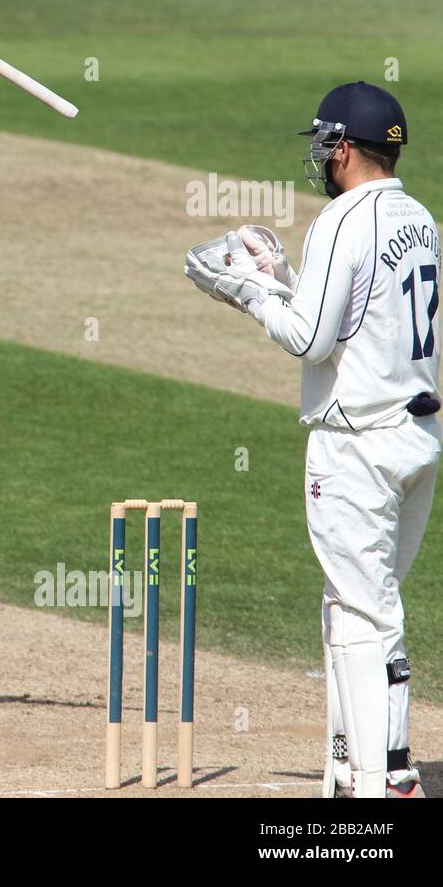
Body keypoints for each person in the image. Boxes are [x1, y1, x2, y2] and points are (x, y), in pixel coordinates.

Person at [185, 81, 437, 798]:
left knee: (364, 612)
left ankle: (383, 777)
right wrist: (284, 279)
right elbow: (358, 326)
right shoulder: (420, 217)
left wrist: (249, 291)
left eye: (327, 145)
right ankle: (344, 766)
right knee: (360, 600)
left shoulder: (341, 222)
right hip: (417, 440)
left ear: (347, 150)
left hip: (356, 445)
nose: (322, 158)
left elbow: (309, 338)